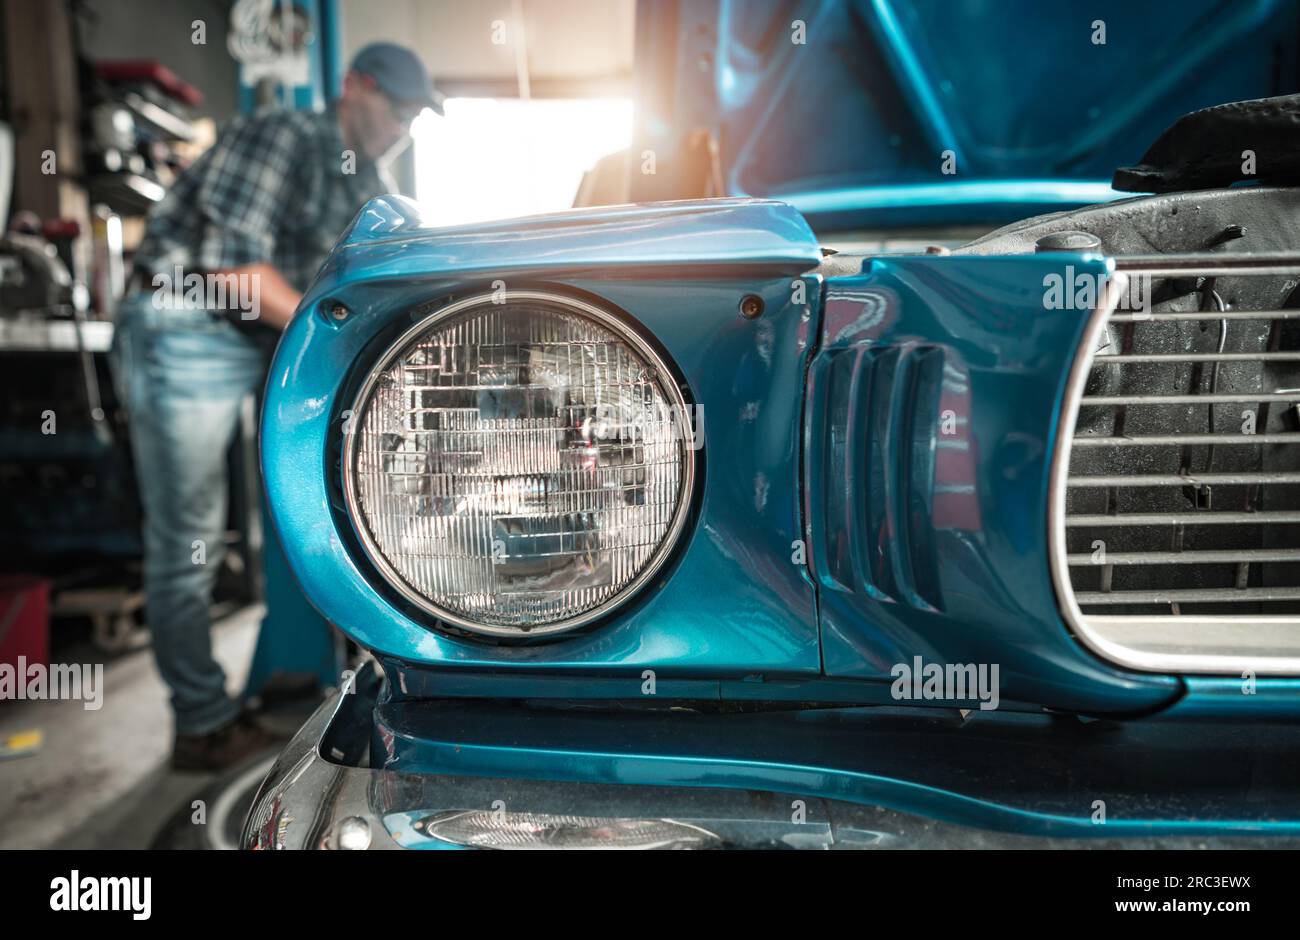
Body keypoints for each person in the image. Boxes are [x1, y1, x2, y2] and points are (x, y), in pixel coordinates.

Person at [110, 42, 437, 771]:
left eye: (414, 117)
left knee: (311, 506)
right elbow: (235, 270)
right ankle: (200, 724)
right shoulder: (282, 135)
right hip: (185, 327)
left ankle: (308, 679)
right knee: (189, 536)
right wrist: (341, 336)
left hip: (263, 343)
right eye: (393, 107)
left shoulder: (371, 185)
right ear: (353, 86)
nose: (400, 127)